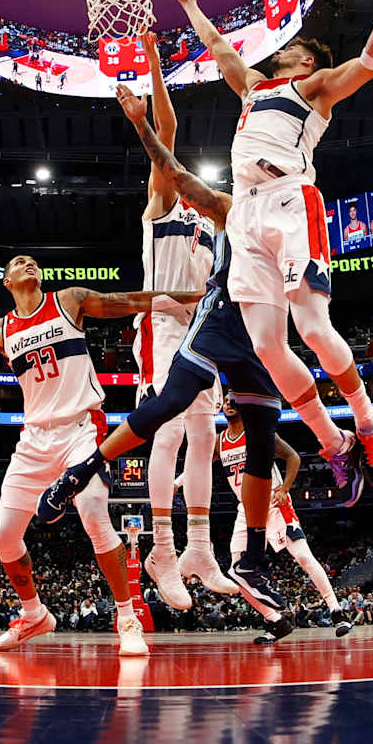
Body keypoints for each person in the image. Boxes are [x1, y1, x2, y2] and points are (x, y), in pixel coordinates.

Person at [40, 87, 363, 641]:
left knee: (247, 433)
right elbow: (165, 159)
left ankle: (235, 555)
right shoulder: (194, 206)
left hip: (253, 332)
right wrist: (146, 109)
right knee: (169, 417)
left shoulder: (262, 212)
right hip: (186, 325)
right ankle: (122, 510)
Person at [0, 262, 203, 657]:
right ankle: (34, 614)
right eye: (16, 263)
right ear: (6, 281)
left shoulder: (69, 300)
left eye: (31, 261)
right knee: (3, 536)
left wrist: (197, 296)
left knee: (95, 513)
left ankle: (127, 617)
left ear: (40, 277)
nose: (26, 263)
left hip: (81, 428)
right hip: (34, 439)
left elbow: (132, 300)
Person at [160, 0, 373, 489]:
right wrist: (192, 7)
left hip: (290, 200)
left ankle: (366, 420)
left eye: (292, 47)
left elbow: (371, 63)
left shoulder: (313, 86)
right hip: (244, 214)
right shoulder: (253, 87)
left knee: (313, 328)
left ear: (308, 58)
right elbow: (221, 50)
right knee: (269, 346)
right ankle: (333, 441)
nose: (281, 49)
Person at [127, 32, 235, 608]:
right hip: (163, 325)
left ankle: (198, 547)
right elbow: (164, 137)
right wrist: (151, 62)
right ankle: (161, 549)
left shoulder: (217, 226)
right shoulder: (164, 207)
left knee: (203, 438)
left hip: (202, 332)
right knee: (167, 430)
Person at [218, 392, 351, 643]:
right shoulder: (220, 440)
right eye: (225, 400)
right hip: (245, 509)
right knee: (235, 572)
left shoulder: (258, 431)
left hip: (273, 503)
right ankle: (275, 620)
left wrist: (285, 489)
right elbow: (199, 465)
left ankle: (337, 611)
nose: (228, 403)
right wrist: (179, 483)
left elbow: (293, 457)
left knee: (302, 555)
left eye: (233, 399)